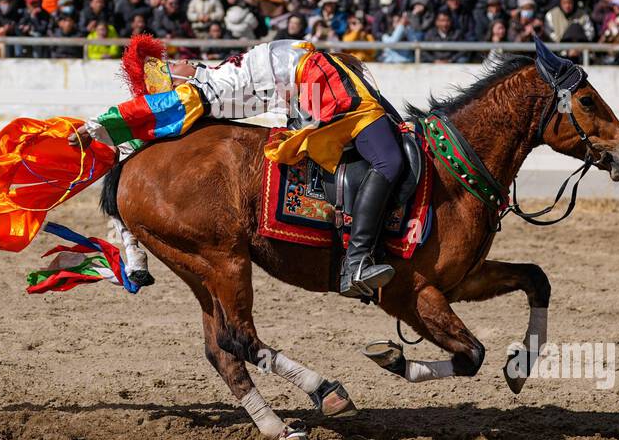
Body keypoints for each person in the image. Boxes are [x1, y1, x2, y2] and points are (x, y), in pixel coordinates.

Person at [71, 37, 404, 299]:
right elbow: (148, 111)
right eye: (174, 66)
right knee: (389, 156)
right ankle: (358, 260)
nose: (180, 61)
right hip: (318, 76)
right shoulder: (204, 90)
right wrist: (98, 126)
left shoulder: (219, 77)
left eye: (174, 60)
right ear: (177, 84)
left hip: (313, 82)